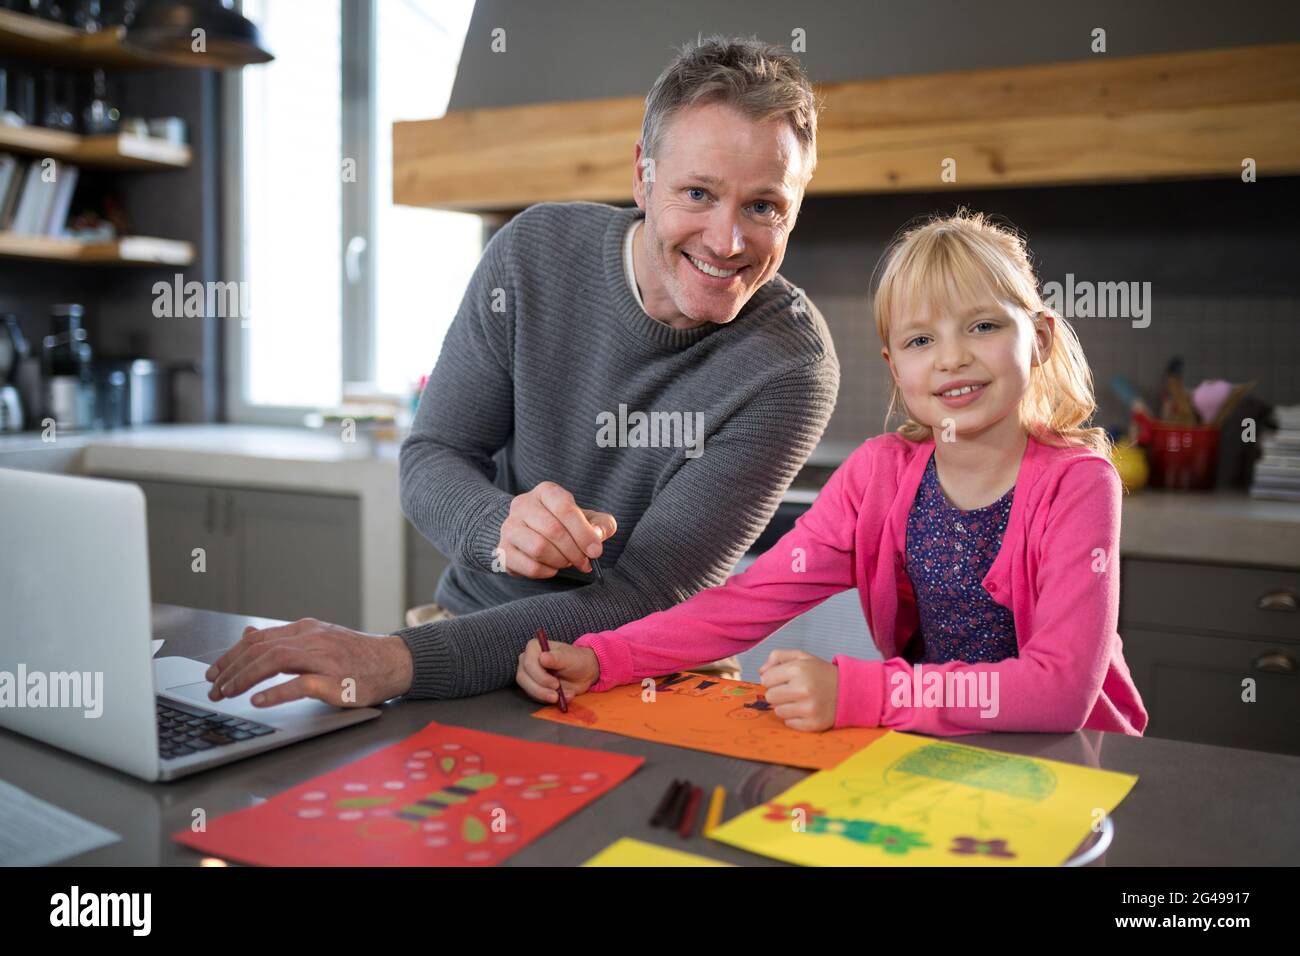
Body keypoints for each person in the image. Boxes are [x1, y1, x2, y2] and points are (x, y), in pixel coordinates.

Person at [204, 35, 839, 708]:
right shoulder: (533, 256)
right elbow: (432, 455)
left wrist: (397, 661)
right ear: (643, 178)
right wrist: (497, 529)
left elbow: (650, 596)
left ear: (794, 207)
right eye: (698, 193)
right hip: (465, 636)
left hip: (648, 674)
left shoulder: (791, 365)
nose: (727, 241)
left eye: (763, 207)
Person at [517, 209, 1149, 738]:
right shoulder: (879, 476)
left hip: (1075, 765)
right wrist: (605, 658)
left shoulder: (1079, 483)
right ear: (894, 366)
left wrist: (860, 693)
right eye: (920, 340)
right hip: (941, 748)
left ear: (1038, 340)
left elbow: (1060, 692)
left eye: (983, 326)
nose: (953, 358)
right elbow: (747, 601)